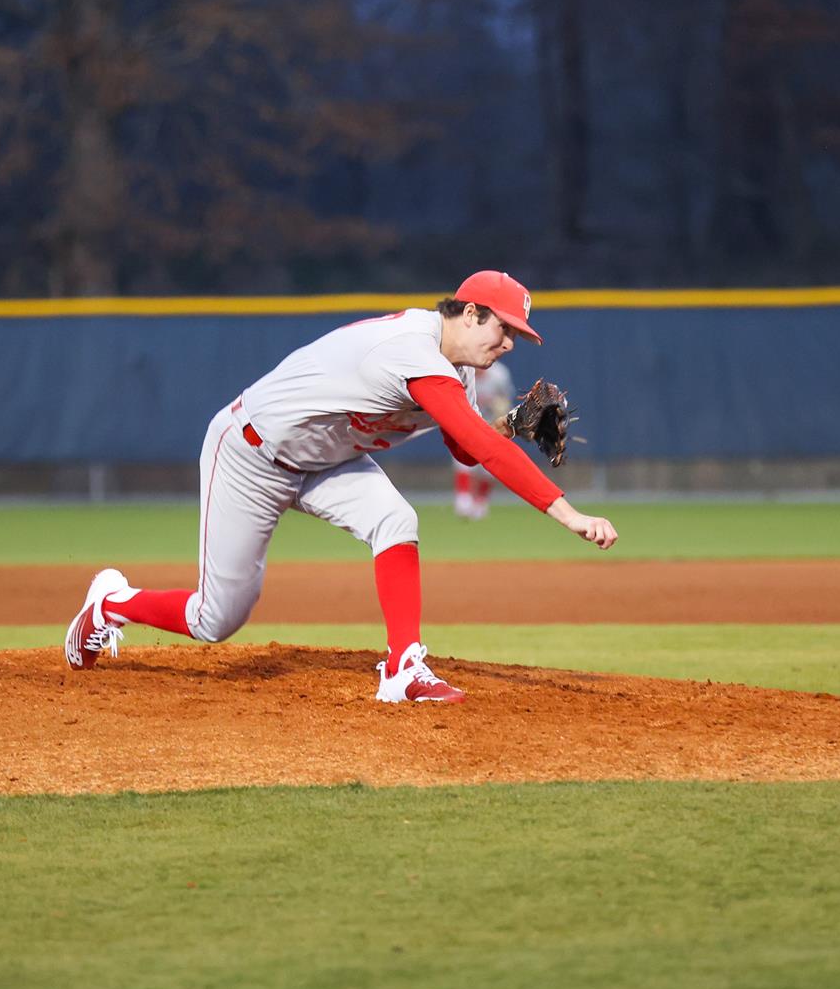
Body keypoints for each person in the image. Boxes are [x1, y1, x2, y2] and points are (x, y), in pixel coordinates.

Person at [64, 270, 620, 703]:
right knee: (216, 620)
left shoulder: (458, 372)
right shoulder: (413, 348)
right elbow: (486, 451)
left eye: (517, 335)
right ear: (470, 313)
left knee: (396, 521)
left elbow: (467, 445)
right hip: (251, 455)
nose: (510, 345)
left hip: (325, 463)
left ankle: (403, 668)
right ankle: (110, 604)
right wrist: (569, 514)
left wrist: (505, 425)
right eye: (505, 329)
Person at [453, 359, 516, 519]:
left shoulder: (499, 374)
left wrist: (499, 406)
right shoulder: (462, 371)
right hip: (467, 422)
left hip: (492, 424)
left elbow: (506, 400)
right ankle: (463, 498)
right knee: (462, 460)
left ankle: (481, 501)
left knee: (490, 467)